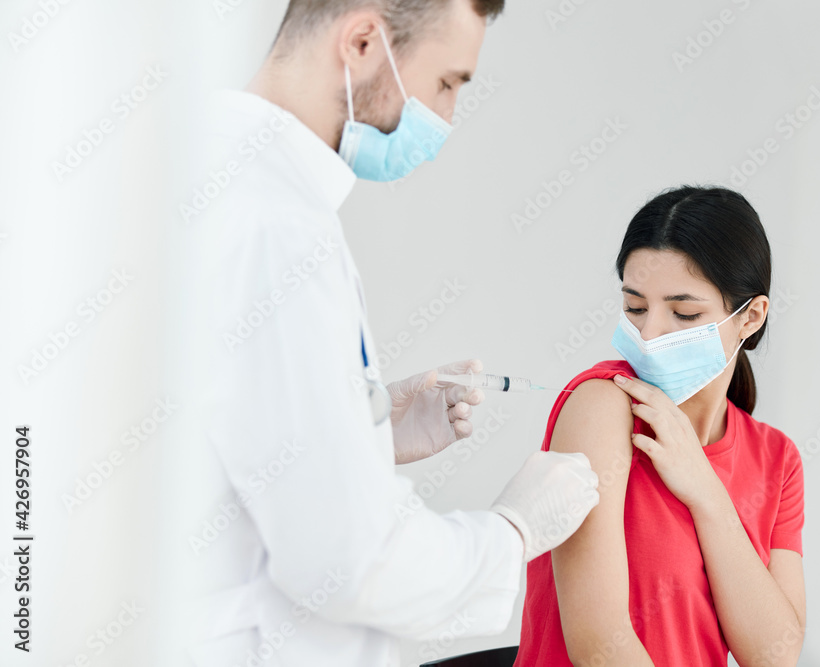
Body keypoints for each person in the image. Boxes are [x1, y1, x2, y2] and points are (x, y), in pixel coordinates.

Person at [177, 1, 600, 665]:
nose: (449, 117)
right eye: (447, 83)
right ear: (365, 42)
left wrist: (364, 428)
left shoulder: (212, 172)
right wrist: (513, 532)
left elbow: (212, 442)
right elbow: (349, 561)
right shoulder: (277, 229)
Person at [513, 186, 806, 666]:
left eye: (684, 313)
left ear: (750, 317)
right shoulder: (602, 405)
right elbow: (599, 645)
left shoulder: (777, 459)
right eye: (635, 307)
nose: (649, 334)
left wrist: (708, 495)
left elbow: (775, 654)